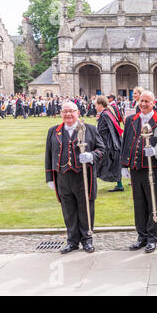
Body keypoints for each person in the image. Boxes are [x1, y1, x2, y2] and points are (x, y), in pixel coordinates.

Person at [45, 102, 106, 254]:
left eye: (71, 111)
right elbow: (49, 155)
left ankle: (87, 240)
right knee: (68, 210)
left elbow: (102, 150)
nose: (68, 114)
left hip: (83, 177)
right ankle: (72, 241)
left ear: (78, 112)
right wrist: (50, 178)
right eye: (65, 111)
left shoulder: (90, 129)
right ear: (61, 113)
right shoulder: (54, 131)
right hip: (63, 177)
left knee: (85, 208)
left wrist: (91, 155)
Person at [121, 91, 157, 254]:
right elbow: (126, 142)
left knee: (153, 204)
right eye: (141, 101)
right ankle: (141, 236)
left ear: (153, 103)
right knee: (139, 203)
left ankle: (152, 238)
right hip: (135, 168)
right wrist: (124, 165)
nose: (143, 104)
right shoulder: (131, 120)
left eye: (147, 102)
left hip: (154, 169)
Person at [95, 96, 124, 192]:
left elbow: (102, 131)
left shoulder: (104, 114)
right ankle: (119, 185)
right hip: (112, 143)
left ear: (100, 105)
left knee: (98, 163)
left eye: (96, 105)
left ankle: (90, 183)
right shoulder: (107, 112)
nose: (95, 107)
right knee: (114, 165)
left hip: (108, 144)